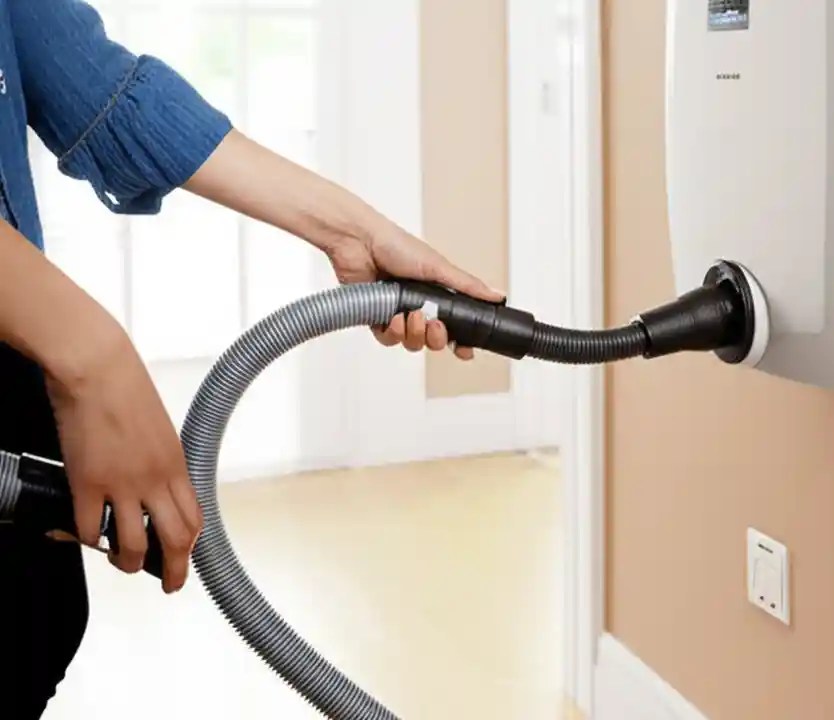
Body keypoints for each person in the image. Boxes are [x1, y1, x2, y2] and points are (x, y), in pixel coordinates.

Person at [0, 1, 497, 716]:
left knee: (31, 625)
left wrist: (355, 233)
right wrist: (92, 356)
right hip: (53, 341)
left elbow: (103, 94)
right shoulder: (81, 351)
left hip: (22, 359)